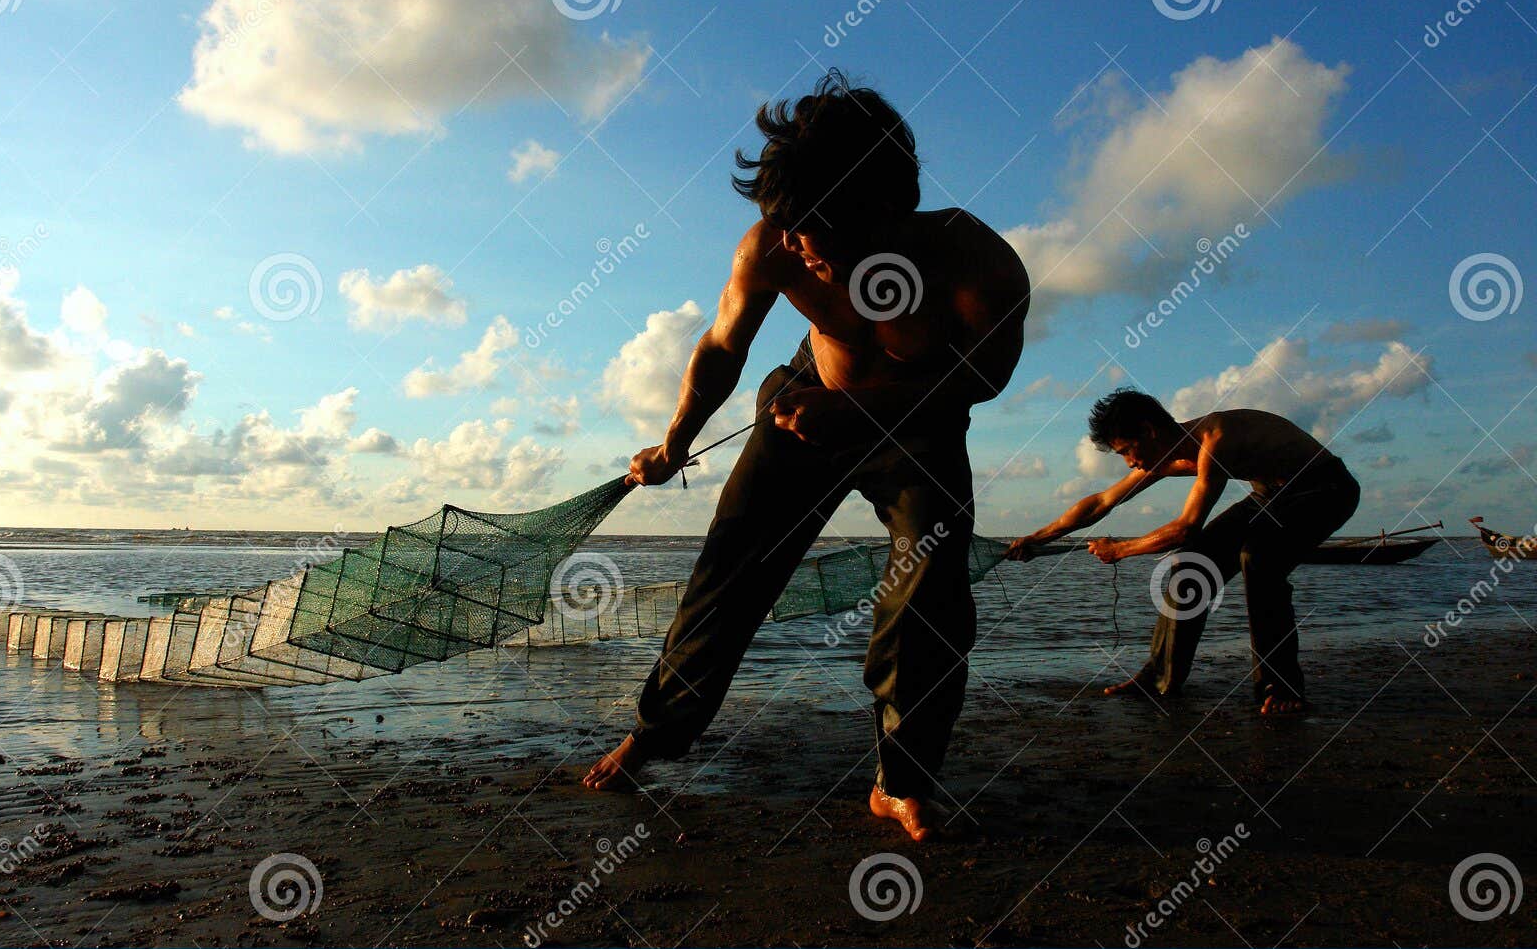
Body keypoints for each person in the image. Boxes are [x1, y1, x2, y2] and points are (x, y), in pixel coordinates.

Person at [582, 71, 1030, 841]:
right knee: (726, 573)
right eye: (781, 223)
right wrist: (675, 442)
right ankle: (654, 734)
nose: (791, 243)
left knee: (931, 585)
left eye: (811, 225)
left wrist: (858, 409)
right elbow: (723, 346)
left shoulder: (970, 259)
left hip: (918, 425)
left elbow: (983, 376)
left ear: (884, 212)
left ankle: (902, 779)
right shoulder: (775, 243)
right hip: (802, 402)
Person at [1007, 389, 1360, 715]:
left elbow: (1187, 526)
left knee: (1259, 558)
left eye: (1127, 451)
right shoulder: (1168, 456)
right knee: (1191, 563)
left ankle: (1282, 688)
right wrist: (1038, 538)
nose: (1129, 463)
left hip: (1326, 488)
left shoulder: (1215, 439)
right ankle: (1161, 677)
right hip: (1270, 495)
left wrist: (1122, 549)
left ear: (1149, 431)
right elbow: (1102, 502)